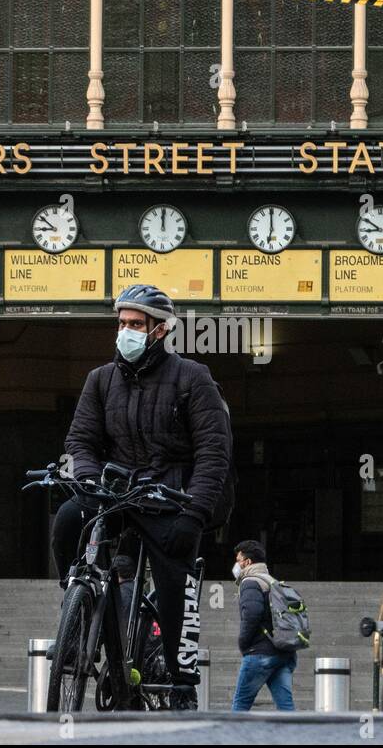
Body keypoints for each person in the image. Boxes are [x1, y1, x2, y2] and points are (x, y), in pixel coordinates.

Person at [57, 284, 234, 710]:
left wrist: (195, 510)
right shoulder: (100, 380)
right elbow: (81, 440)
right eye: (121, 323)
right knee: (66, 520)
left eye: (135, 324)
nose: (126, 331)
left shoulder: (192, 377)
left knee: (174, 581)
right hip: (115, 492)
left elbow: (214, 450)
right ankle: (78, 616)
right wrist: (87, 478)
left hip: (171, 496)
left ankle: (180, 678)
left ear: (159, 330)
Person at [231, 540, 296, 712]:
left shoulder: (250, 582)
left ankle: (232, 738)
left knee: (240, 705)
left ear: (247, 562)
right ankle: (295, 737)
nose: (236, 564)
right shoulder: (272, 581)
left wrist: (243, 643)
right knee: (286, 708)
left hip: (259, 653)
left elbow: (252, 613)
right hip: (282, 653)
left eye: (238, 560)